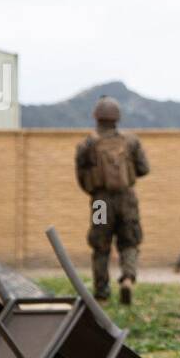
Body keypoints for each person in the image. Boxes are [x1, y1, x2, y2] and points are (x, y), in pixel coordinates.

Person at [74, 96, 150, 305]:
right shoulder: (131, 141)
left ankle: (102, 293)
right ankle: (127, 278)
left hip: (100, 201)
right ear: (117, 117)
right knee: (130, 242)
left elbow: (80, 176)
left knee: (100, 245)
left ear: (96, 117)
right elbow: (144, 169)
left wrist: (94, 191)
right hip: (127, 199)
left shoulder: (86, 144)